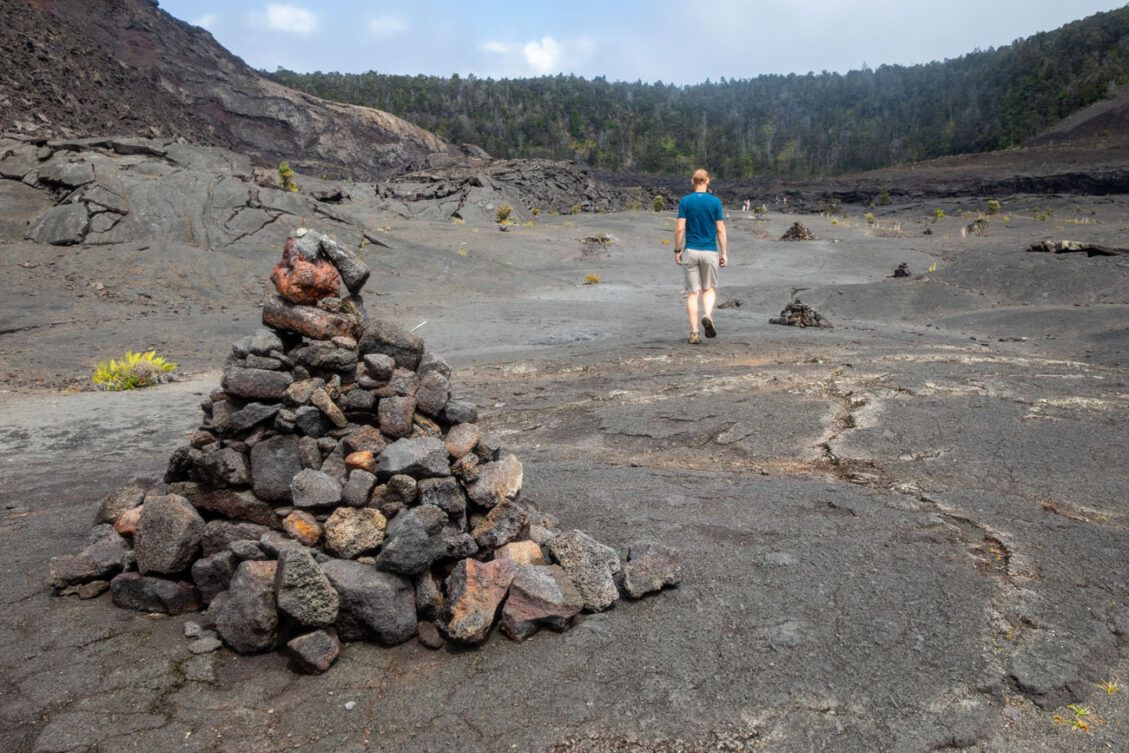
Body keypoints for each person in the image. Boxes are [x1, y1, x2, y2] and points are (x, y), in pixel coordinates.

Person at [674, 168, 727, 344]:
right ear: (708, 181)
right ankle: (708, 315)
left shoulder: (685, 202)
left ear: (692, 181)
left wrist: (677, 249)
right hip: (710, 251)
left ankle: (695, 332)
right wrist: (724, 253)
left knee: (692, 293)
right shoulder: (715, 202)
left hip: (691, 251)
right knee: (709, 288)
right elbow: (720, 229)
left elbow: (680, 228)